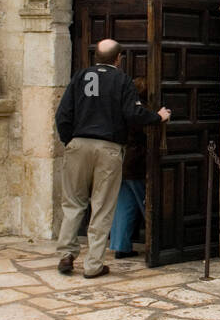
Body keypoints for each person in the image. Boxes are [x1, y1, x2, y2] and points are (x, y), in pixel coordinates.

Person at [54, 39, 170, 278]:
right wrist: (157, 117)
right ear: (118, 59)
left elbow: (63, 114)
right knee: (102, 206)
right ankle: (93, 265)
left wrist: (71, 142)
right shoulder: (122, 80)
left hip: (78, 144)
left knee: (73, 203)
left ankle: (66, 254)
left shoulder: (80, 76)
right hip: (108, 147)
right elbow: (132, 113)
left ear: (96, 57)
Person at [109, 75, 151, 259]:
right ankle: (157, 242)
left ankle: (120, 245)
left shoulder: (119, 108)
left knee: (124, 204)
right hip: (137, 163)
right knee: (146, 202)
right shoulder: (140, 110)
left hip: (121, 161)